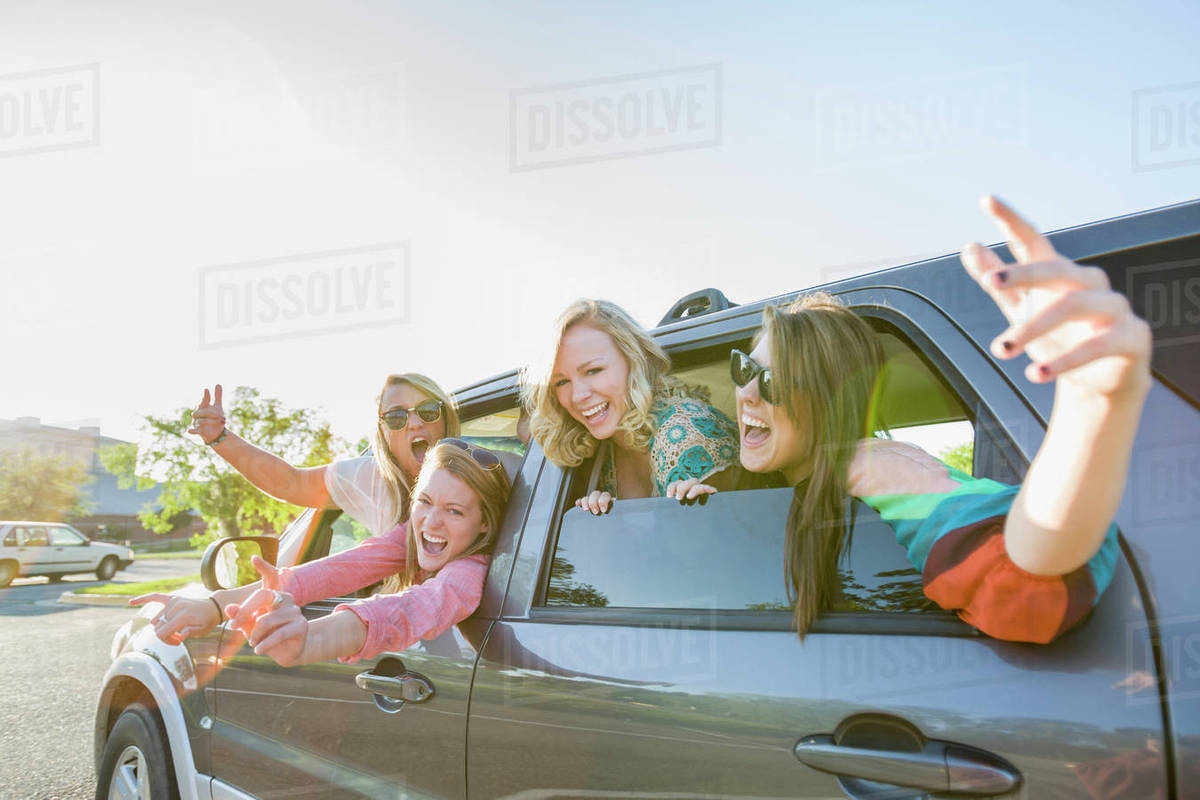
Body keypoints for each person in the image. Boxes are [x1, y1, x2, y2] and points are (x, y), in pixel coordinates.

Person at [675, 197, 1151, 644]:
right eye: (744, 369)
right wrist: (688, 518)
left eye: (775, 381)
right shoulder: (741, 483)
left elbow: (1027, 588)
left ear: (829, 404)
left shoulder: (883, 470)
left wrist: (1091, 404)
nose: (748, 392)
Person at [134, 438, 511, 664]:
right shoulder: (412, 538)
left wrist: (310, 642)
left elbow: (410, 609)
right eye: (425, 501)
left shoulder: (469, 571)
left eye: (455, 511)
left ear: (485, 524)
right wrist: (215, 606)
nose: (431, 522)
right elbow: (335, 571)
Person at [522, 299, 740, 514]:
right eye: (561, 382)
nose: (578, 396)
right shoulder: (602, 446)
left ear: (635, 361)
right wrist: (607, 519)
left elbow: (710, 542)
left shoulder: (687, 432)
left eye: (593, 370)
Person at [188, 373, 459, 537]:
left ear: (445, 417)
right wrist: (219, 438)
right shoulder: (371, 478)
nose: (414, 424)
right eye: (397, 416)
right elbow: (289, 482)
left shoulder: (485, 472)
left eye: (426, 410)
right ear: (384, 432)